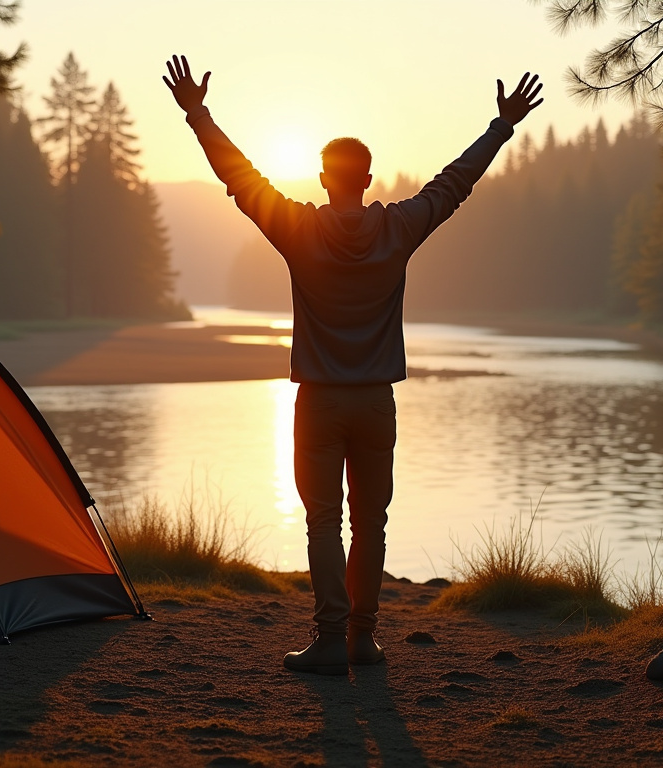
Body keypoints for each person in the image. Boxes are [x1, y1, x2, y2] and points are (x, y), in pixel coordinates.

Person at [164, 55, 542, 675]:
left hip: (317, 401)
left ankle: (329, 638)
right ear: (366, 180)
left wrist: (198, 115)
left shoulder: (299, 230)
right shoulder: (397, 229)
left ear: (322, 178)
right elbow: (453, 185)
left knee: (322, 525)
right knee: (370, 522)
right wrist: (501, 127)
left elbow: (242, 179)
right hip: (374, 403)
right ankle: (362, 640)